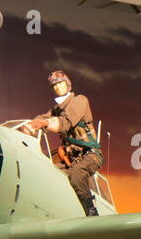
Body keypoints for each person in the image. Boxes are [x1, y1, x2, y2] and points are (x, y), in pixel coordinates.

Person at [29, 70, 103, 217]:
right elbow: (42, 117)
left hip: (90, 155)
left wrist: (45, 123)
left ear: (67, 84)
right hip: (71, 159)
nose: (58, 87)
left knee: (77, 175)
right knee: (48, 172)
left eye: (60, 83)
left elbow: (66, 122)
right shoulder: (57, 109)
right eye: (54, 86)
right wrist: (30, 126)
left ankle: (91, 212)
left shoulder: (80, 100)